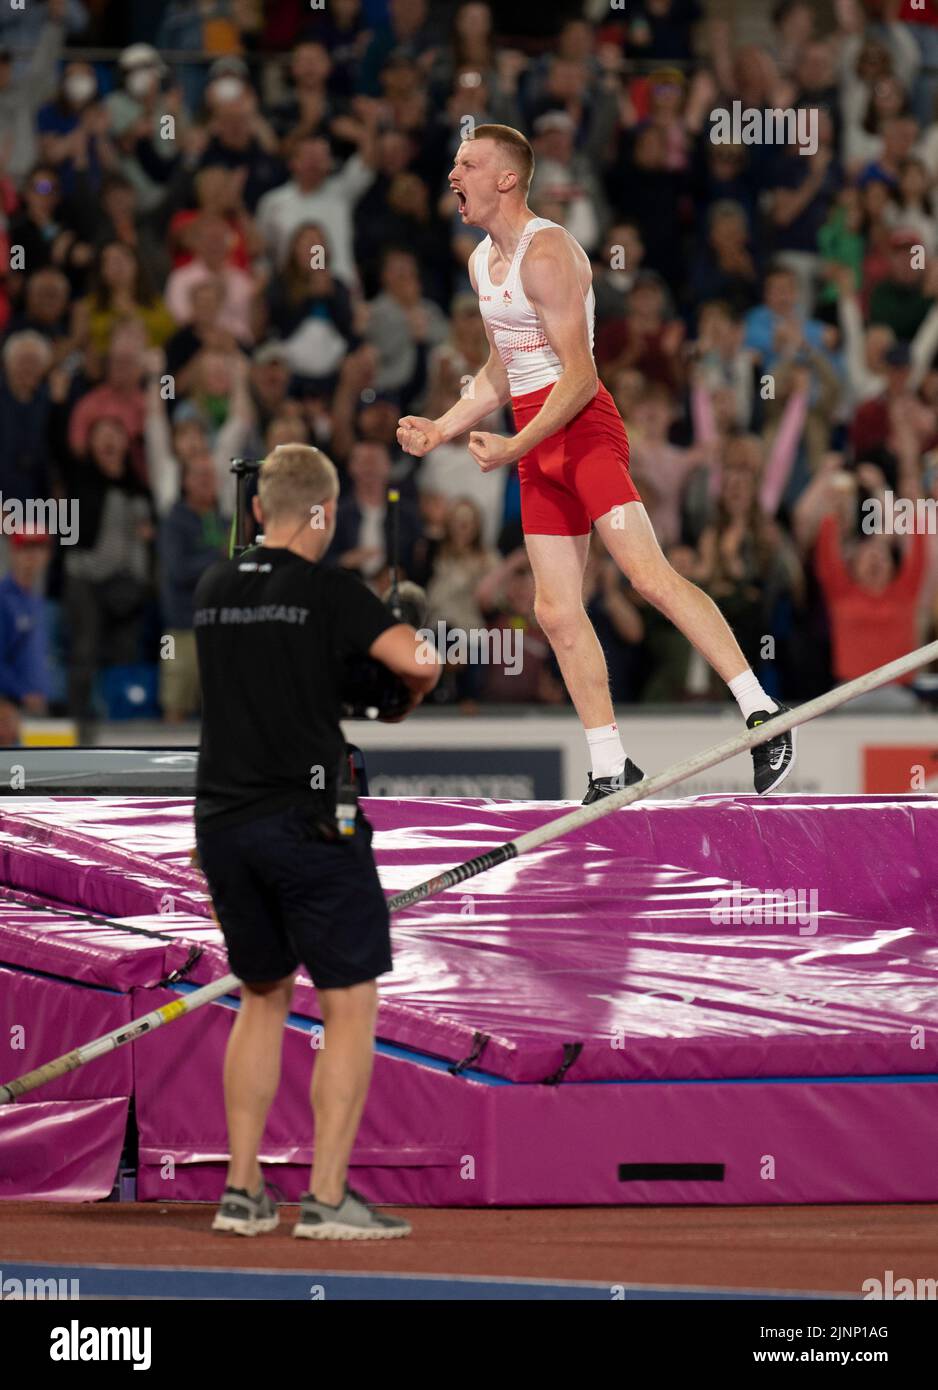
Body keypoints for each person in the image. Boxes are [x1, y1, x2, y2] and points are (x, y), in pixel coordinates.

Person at [397, 123, 796, 801]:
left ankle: (764, 712)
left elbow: (580, 376)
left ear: (506, 178)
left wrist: (517, 445)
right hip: (534, 439)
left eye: (466, 164)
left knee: (647, 575)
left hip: (581, 432)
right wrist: (443, 426)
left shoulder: (547, 252)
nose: (452, 175)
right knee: (553, 609)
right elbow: (504, 364)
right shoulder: (479, 264)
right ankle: (611, 764)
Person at [194, 443, 441, 1240]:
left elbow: (280, 676)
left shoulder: (212, 587)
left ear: (260, 509)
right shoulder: (329, 590)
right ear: (325, 514)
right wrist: (411, 647)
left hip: (223, 822)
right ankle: (328, 1198)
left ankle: (242, 1192)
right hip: (306, 824)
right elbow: (416, 664)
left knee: (260, 994)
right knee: (348, 1002)